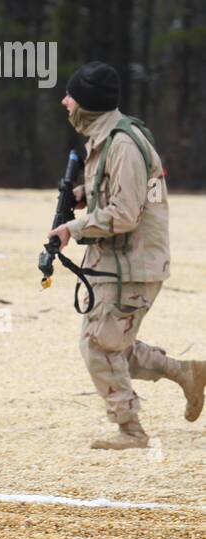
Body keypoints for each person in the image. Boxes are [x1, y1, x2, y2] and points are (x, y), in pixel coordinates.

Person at [45, 61, 206, 449]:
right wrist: (86, 195)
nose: (65, 101)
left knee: (100, 345)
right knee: (111, 343)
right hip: (119, 263)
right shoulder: (107, 139)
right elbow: (116, 197)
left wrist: (73, 229)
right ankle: (187, 373)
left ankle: (131, 430)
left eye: (72, 96)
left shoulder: (122, 145)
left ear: (89, 104)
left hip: (134, 265)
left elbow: (125, 213)